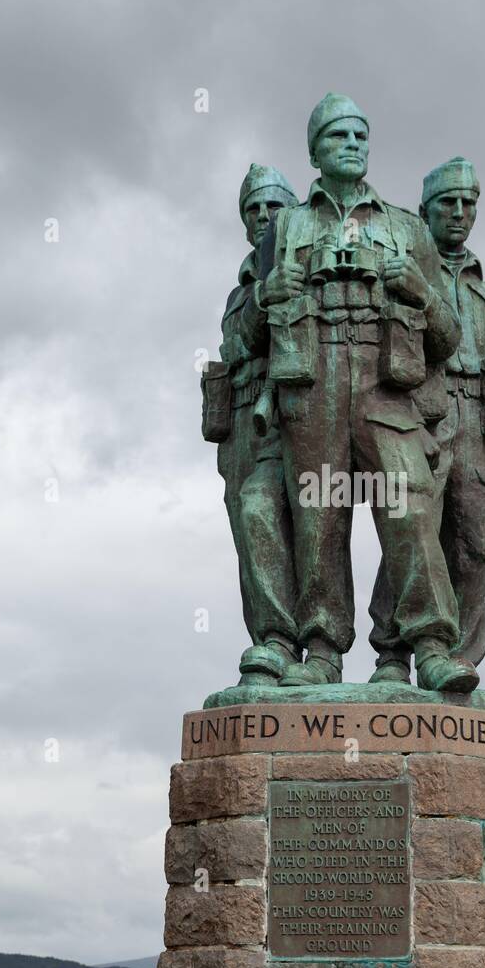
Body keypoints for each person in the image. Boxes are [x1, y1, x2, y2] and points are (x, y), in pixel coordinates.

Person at [248, 95, 478, 693]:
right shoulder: (288, 226)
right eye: (337, 136)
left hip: (386, 391)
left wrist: (422, 292)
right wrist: (271, 291)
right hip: (313, 383)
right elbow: (249, 335)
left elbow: (448, 340)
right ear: (314, 151)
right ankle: (322, 649)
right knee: (319, 521)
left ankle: (429, 645)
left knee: (410, 511)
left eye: (360, 135)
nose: (351, 144)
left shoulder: (405, 227)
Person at [368, 157, 485, 680]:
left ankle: (460, 659)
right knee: (413, 529)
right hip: (426, 414)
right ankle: (392, 650)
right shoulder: (408, 275)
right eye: (447, 203)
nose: (459, 213)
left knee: (477, 547)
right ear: (424, 212)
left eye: (468, 203)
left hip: (481, 423)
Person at [203, 164, 302, 684]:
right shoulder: (242, 287)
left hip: (291, 414)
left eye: (273, 207)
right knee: (249, 534)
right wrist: (262, 299)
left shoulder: (302, 264)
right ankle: (269, 645)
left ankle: (292, 640)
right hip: (240, 419)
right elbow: (237, 344)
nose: (263, 217)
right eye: (253, 209)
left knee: (277, 516)